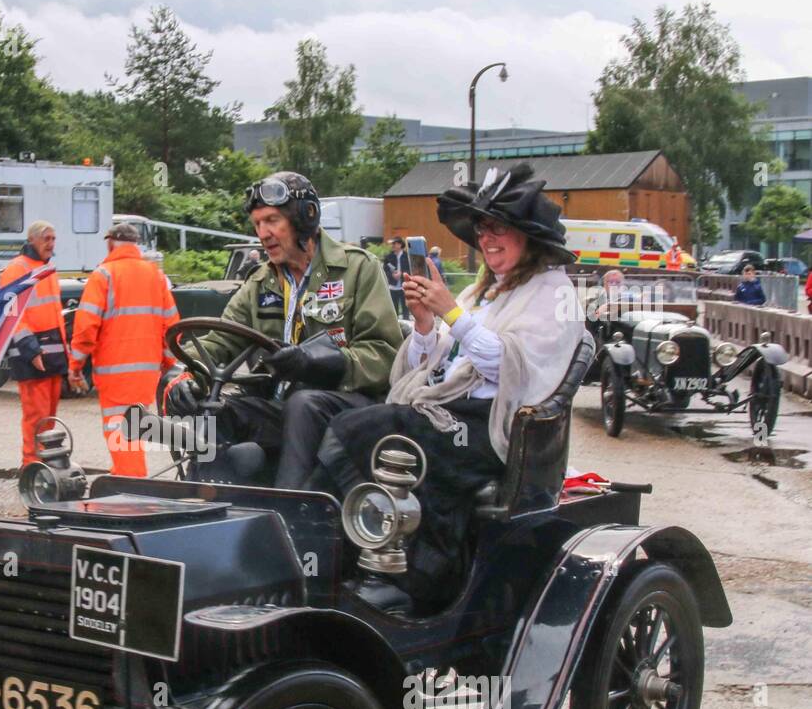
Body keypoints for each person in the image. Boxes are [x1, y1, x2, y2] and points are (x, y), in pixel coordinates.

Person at [316, 163, 585, 610]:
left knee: (362, 429)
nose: (487, 238)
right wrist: (424, 324)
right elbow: (435, 362)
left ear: (529, 236)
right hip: (450, 412)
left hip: (495, 431)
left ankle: (341, 556)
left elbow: (509, 368)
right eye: (482, 229)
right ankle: (352, 555)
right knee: (344, 419)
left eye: (500, 228)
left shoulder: (553, 293)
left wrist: (451, 315)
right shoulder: (485, 291)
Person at [162, 172, 404, 489]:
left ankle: (292, 510)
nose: (263, 233)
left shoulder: (358, 268)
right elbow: (220, 340)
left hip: (349, 406)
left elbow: (385, 354)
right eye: (258, 224)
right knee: (213, 412)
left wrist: (317, 363)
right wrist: (183, 375)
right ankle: (215, 504)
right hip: (281, 407)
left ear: (306, 218)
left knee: (303, 403)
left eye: (272, 220)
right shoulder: (260, 283)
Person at [68, 222, 180, 476]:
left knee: (121, 430)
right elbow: (173, 325)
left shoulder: (103, 274)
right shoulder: (156, 276)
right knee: (134, 428)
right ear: (136, 244)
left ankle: (131, 486)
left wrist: (75, 365)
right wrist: (167, 361)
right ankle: (123, 474)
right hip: (147, 372)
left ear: (110, 243)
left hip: (114, 372)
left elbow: (86, 327)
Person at [0, 220, 68, 466]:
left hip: (51, 351)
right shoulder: (17, 269)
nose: (51, 244)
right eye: (46, 239)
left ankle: (45, 462)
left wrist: (64, 352)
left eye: (53, 239)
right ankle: (31, 465)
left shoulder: (47, 269)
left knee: (48, 417)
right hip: (32, 354)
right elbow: (12, 315)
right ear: (32, 241)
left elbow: (54, 314)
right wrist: (31, 350)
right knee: (36, 416)